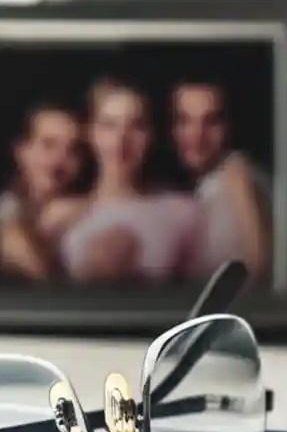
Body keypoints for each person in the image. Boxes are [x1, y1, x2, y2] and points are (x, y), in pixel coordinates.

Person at [48, 77, 206, 284]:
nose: (121, 140)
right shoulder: (58, 216)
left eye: (136, 126)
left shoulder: (183, 213)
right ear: (91, 133)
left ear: (150, 135)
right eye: (109, 125)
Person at [170, 80, 272, 281]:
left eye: (211, 121)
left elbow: (261, 262)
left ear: (228, 127)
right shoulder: (206, 185)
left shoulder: (236, 173)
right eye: (185, 120)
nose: (197, 134)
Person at [0, 103, 84, 282]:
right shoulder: (4, 213)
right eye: (49, 145)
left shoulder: (83, 209)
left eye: (73, 150)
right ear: (21, 151)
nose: (59, 160)